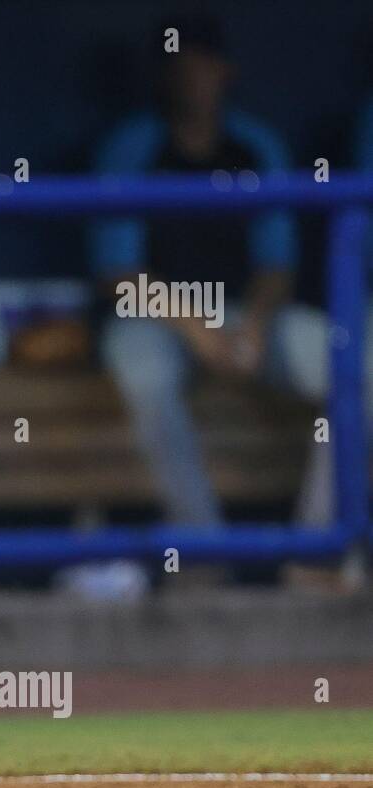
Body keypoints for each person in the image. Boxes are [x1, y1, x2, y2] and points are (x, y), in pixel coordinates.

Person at [92, 15, 372, 539]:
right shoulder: (133, 147)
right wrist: (196, 327)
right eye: (180, 65)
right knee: (145, 375)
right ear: (162, 75)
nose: (192, 77)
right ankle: (202, 546)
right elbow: (117, 272)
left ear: (225, 71)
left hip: (246, 314)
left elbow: (277, 263)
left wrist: (256, 327)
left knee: (358, 365)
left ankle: (319, 545)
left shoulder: (255, 145)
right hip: (157, 317)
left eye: (203, 64)